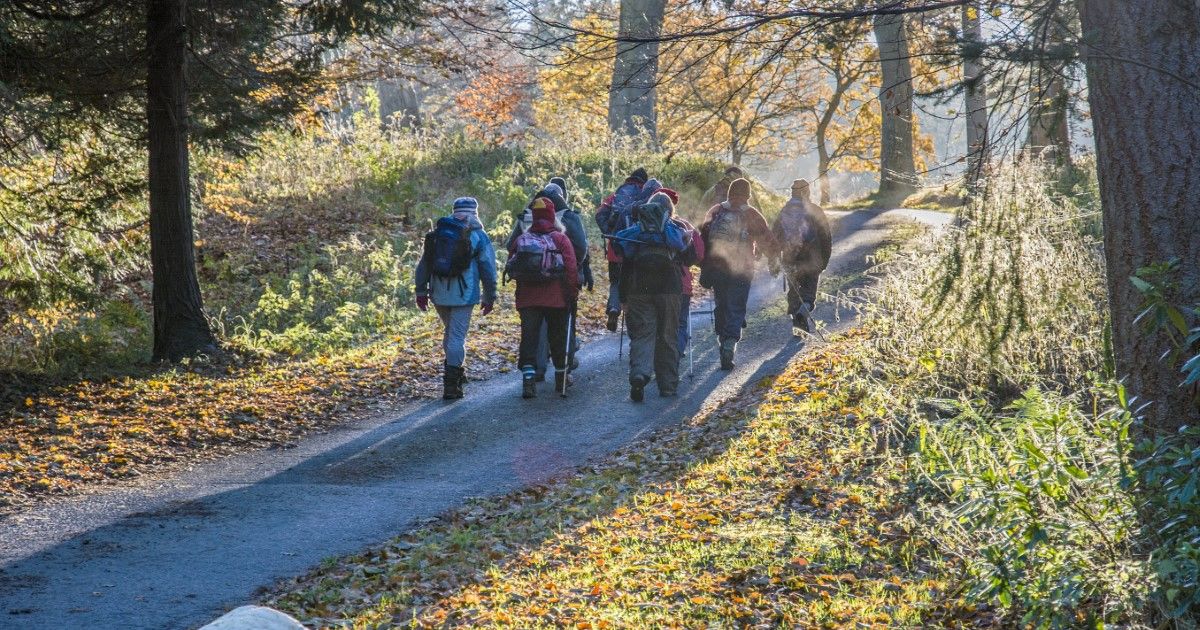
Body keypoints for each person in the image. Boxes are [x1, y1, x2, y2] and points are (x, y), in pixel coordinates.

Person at [414, 196, 498, 400]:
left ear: (455, 211)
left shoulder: (438, 233)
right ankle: (451, 384)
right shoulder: (478, 235)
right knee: (457, 337)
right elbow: (488, 268)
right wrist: (489, 295)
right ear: (474, 213)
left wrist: (420, 291)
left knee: (451, 333)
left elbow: (424, 263)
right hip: (464, 293)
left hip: (438, 292)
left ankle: (457, 371)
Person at [699, 177, 778, 370]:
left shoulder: (716, 211)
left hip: (718, 267)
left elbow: (702, 238)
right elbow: (766, 238)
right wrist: (774, 259)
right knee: (736, 306)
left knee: (722, 305)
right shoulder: (751, 213)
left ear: (729, 193)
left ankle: (722, 338)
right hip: (742, 268)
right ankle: (729, 344)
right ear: (748, 195)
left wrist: (704, 264)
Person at [613, 200, 688, 401]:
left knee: (642, 334)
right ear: (669, 211)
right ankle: (668, 386)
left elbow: (625, 264)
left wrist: (622, 296)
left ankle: (639, 374)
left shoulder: (636, 231)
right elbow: (690, 256)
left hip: (639, 288)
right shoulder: (674, 230)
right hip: (669, 289)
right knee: (667, 335)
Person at [507, 197, 579, 398]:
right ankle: (561, 378)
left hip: (528, 300)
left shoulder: (522, 239)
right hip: (556, 298)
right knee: (557, 337)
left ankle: (528, 381)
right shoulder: (560, 239)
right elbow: (571, 268)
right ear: (552, 215)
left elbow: (511, 266)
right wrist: (572, 293)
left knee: (529, 339)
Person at [771, 178, 832, 335]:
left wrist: (774, 260)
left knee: (794, 291)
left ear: (793, 192)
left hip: (790, 258)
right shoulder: (815, 210)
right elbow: (826, 237)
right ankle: (803, 313)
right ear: (807, 191)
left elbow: (774, 237)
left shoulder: (785, 211)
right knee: (808, 294)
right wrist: (824, 260)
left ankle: (797, 325)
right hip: (812, 259)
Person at [650, 188, 705, 361]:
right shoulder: (683, 226)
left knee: (658, 323)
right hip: (681, 283)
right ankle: (676, 353)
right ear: (671, 208)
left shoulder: (643, 228)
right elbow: (700, 254)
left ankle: (660, 357)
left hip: (650, 284)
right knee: (680, 322)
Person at [595, 167, 648, 331]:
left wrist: (610, 233)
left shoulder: (616, 195)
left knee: (616, 281)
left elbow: (599, 214)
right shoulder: (645, 195)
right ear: (644, 181)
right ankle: (634, 318)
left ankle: (613, 308)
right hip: (636, 248)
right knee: (636, 283)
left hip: (615, 247)